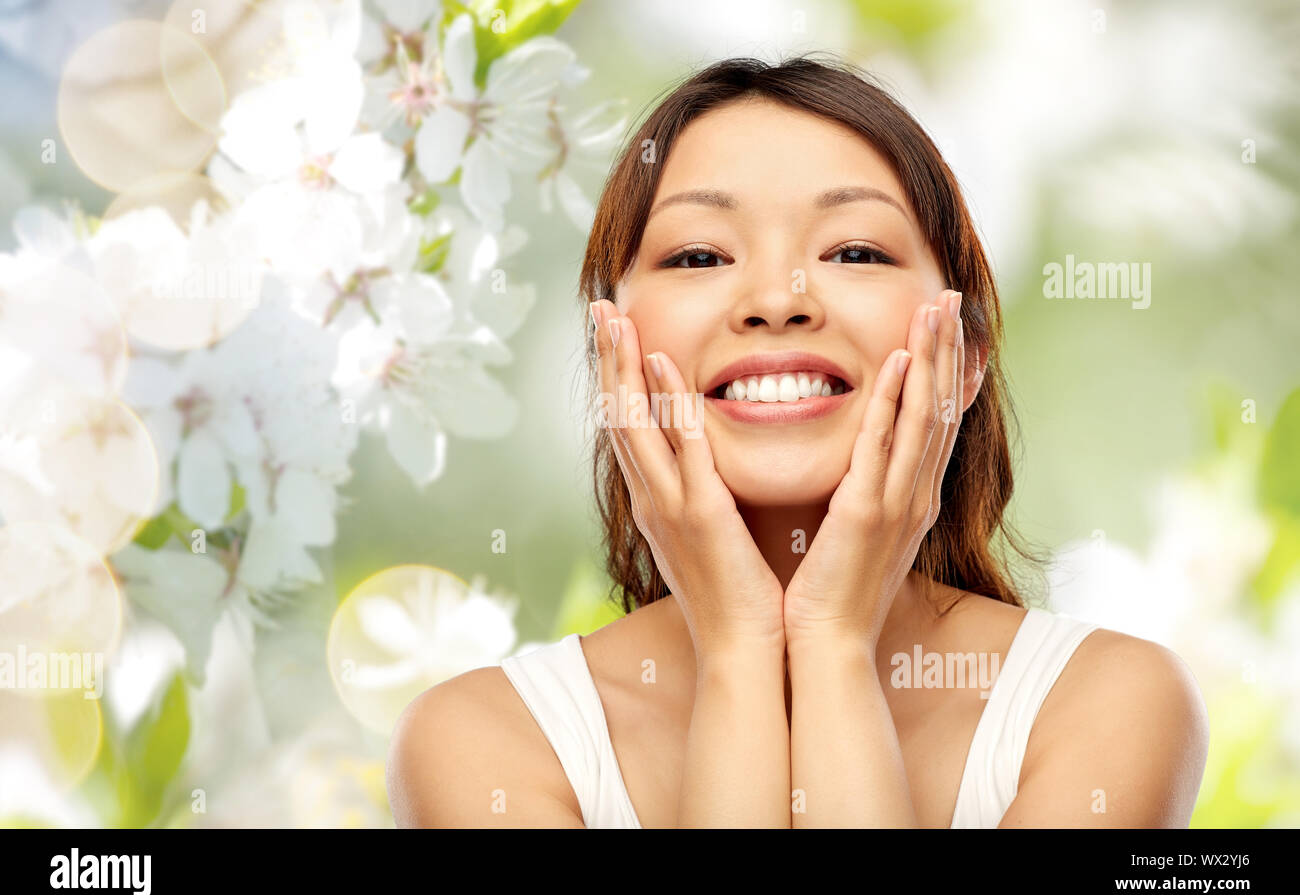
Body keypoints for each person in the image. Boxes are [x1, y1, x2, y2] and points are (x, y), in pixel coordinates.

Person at [386, 55, 1209, 828]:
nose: (778, 300)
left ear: (963, 362)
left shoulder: (1108, 704)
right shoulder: (482, 742)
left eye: (854, 249)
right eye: (700, 254)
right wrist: (741, 648)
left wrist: (833, 646)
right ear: (612, 350)